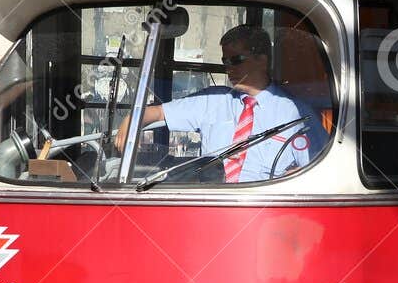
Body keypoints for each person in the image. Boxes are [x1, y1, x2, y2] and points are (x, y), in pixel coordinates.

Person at [115, 25, 325, 182]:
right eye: (225, 62)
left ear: (262, 60)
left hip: (262, 207)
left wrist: (295, 177)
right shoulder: (213, 100)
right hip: (212, 200)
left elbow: (320, 169)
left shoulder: (295, 112)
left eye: (237, 60)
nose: (229, 68)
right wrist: (131, 120)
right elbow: (158, 113)